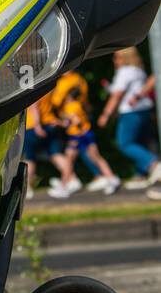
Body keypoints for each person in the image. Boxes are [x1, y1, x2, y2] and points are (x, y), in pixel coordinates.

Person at [97, 48, 161, 190]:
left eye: (116, 57)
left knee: (125, 143)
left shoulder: (124, 72)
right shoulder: (138, 70)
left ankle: (154, 165)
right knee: (141, 142)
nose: (114, 60)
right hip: (144, 110)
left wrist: (106, 115)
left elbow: (117, 95)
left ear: (124, 58)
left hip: (130, 112)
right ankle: (141, 175)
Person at [51, 71, 120, 196]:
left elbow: (74, 121)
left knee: (70, 160)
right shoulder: (79, 99)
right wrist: (61, 123)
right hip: (85, 134)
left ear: (68, 97)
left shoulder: (71, 106)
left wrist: (65, 124)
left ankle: (64, 187)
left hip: (77, 136)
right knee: (95, 157)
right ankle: (111, 178)